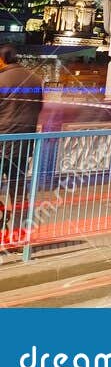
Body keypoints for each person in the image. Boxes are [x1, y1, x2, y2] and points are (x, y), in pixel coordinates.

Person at [0, 46, 44, 238]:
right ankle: (19, 235)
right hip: (24, 144)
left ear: (2, 59)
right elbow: (39, 108)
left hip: (2, 142)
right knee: (18, 191)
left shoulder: (1, 79)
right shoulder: (35, 79)